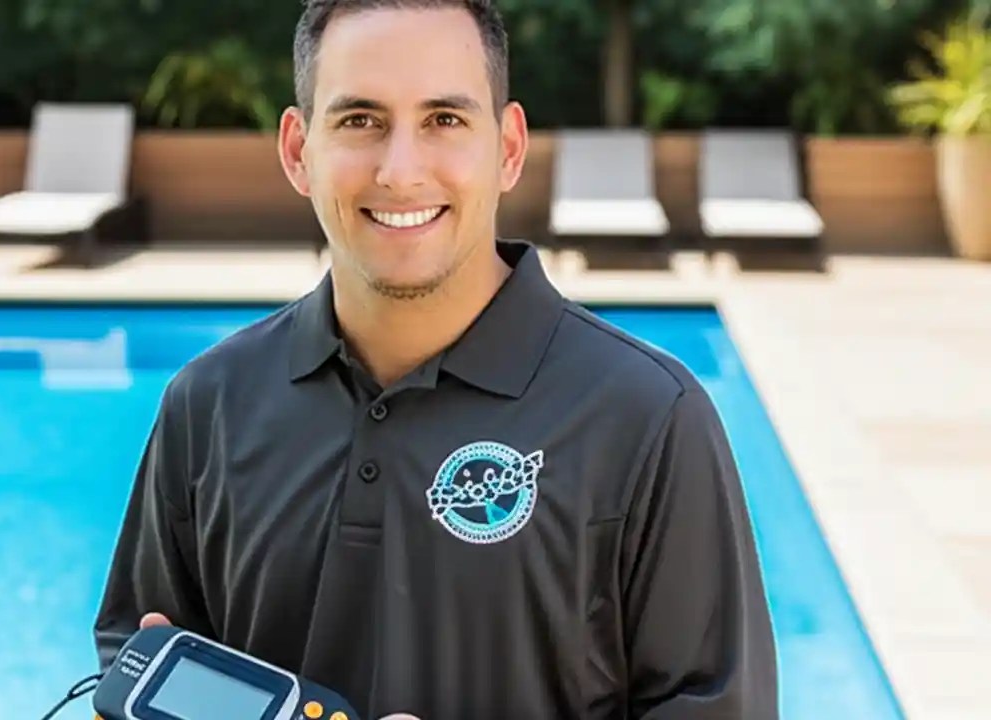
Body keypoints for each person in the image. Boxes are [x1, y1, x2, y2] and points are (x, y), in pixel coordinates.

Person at [93, 1, 779, 717]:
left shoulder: (647, 419)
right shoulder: (209, 403)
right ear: (298, 151)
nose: (400, 171)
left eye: (444, 120)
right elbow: (134, 659)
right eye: (360, 120)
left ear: (507, 148)